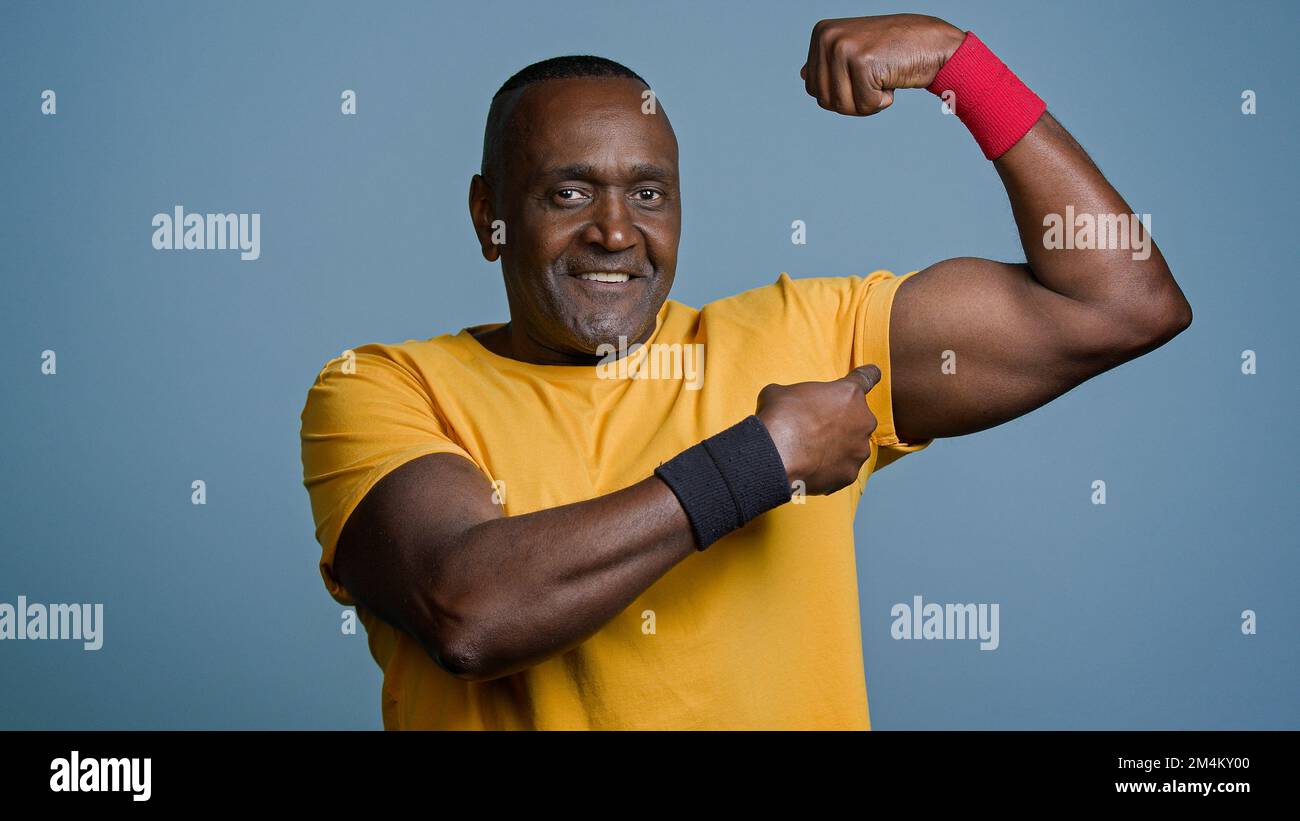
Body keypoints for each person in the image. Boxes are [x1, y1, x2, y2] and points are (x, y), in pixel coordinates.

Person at [299, 13, 1191, 729]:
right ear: (488, 211)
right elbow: (468, 610)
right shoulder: (382, 388)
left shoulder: (806, 336)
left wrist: (967, 69)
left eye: (648, 193)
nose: (615, 230)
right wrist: (763, 461)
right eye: (568, 192)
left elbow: (1119, 302)